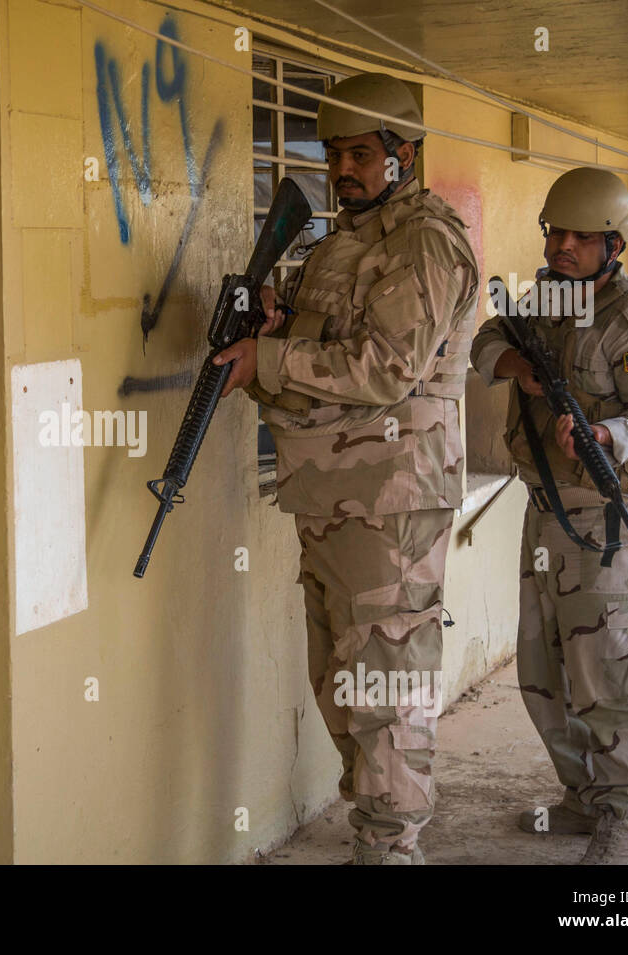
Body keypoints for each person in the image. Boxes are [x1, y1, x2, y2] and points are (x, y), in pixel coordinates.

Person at [215, 73, 479, 864]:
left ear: (403, 154)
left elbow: (384, 367)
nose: (344, 168)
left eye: (362, 153)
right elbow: (314, 358)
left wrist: (272, 352)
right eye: (334, 153)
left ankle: (393, 847)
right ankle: (377, 828)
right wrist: (270, 332)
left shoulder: (426, 242)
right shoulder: (339, 242)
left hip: (393, 502)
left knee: (387, 690)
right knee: (342, 683)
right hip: (330, 497)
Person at [470, 166, 628, 864]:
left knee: (607, 671)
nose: (562, 245)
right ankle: (583, 794)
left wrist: (605, 436)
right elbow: (486, 341)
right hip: (543, 517)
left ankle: (622, 816)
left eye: (580, 237)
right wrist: (518, 369)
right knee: (544, 670)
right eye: (555, 233)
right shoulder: (545, 301)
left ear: (613, 244)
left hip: (605, 521)